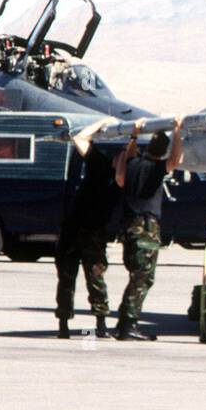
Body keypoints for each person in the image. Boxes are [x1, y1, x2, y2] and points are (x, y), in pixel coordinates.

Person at [112, 121, 182, 341]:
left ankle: (124, 323)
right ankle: (128, 326)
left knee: (137, 276)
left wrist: (133, 137)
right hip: (145, 229)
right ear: (161, 152)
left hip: (129, 226)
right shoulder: (156, 168)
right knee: (142, 278)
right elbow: (175, 160)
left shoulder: (133, 164)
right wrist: (178, 132)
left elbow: (119, 178)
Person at [54, 144, 119, 339]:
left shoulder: (115, 178)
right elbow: (80, 139)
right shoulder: (101, 167)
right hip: (78, 232)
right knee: (71, 279)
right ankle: (66, 323)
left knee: (93, 279)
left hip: (89, 234)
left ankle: (97, 323)